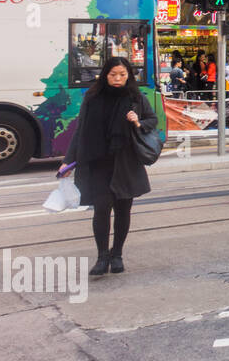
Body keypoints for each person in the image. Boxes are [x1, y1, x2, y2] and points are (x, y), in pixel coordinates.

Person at [59, 57, 158, 277]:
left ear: (128, 76)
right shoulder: (92, 97)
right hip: (98, 162)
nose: (117, 79)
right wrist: (68, 159)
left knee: (123, 210)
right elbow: (80, 129)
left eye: (122, 75)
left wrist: (137, 121)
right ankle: (102, 256)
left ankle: (117, 254)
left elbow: (152, 120)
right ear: (105, 74)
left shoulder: (136, 97)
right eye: (113, 74)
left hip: (126, 163)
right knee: (101, 209)